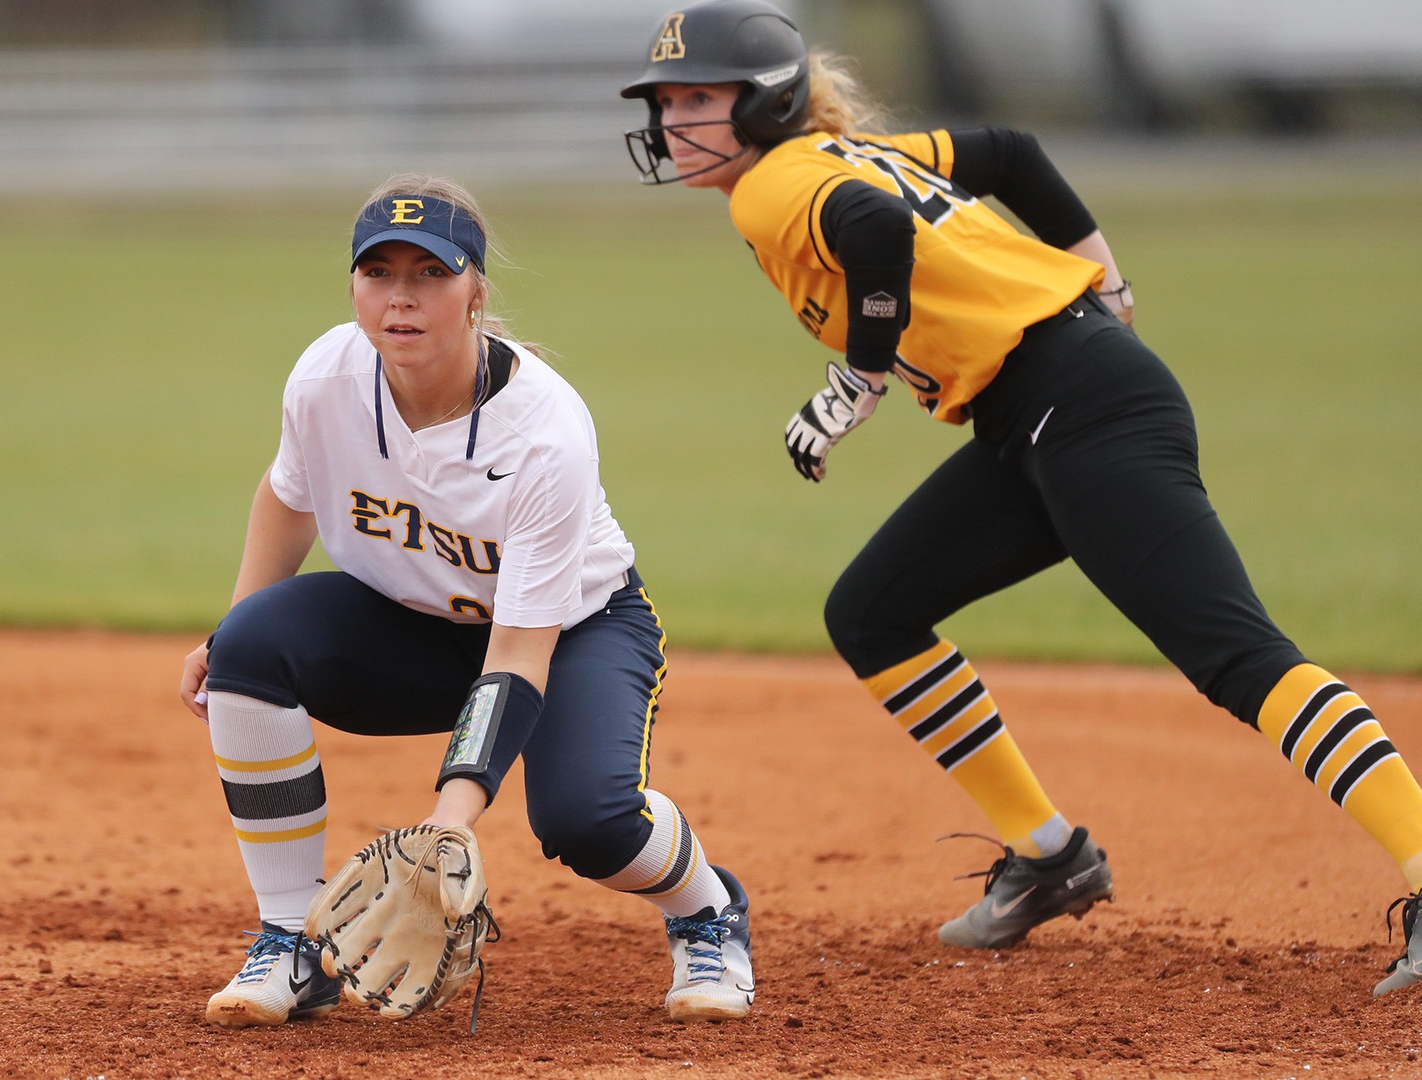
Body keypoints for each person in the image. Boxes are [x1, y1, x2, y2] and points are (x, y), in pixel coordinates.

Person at [617, 0, 1422, 995]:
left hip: (1079, 407)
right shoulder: (846, 154)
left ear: (771, 101)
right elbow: (1006, 151)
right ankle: (1048, 856)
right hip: (1039, 414)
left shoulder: (778, 184)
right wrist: (1109, 289)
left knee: (1237, 656)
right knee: (873, 613)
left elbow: (875, 233)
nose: (675, 123)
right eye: (667, 103)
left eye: (701, 99)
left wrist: (858, 381)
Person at [179, 174, 755, 1026]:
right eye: (378, 273)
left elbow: (519, 652)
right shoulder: (326, 376)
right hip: (411, 628)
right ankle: (289, 942)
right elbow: (289, 493)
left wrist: (450, 824)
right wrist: (230, 627)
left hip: (570, 634)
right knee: (249, 648)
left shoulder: (546, 432)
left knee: (586, 821)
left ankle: (708, 910)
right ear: (352, 285)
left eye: (430, 274)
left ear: (477, 290)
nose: (400, 299)